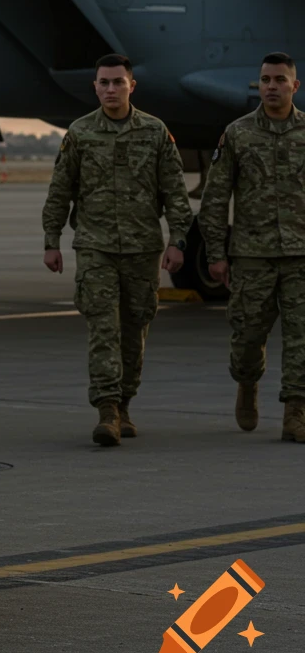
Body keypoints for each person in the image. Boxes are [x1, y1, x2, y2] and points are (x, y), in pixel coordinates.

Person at [42, 54, 192, 446]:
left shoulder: (155, 132)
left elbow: (175, 193)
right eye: (104, 83)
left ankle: (125, 404)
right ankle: (106, 410)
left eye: (117, 82)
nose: (110, 89)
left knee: (134, 329)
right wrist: (51, 241)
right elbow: (60, 191)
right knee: (103, 329)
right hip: (95, 247)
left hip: (143, 248)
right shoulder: (80, 133)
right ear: (95, 87)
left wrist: (177, 241)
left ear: (131, 86)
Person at [199, 52, 305, 442]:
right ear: (257, 85)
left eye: (280, 79)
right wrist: (215, 254)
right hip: (251, 257)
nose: (272, 86)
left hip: (301, 255)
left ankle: (296, 412)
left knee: (302, 338)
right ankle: (247, 384)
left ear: (295, 86)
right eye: (265, 79)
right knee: (247, 340)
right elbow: (214, 198)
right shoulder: (238, 134)